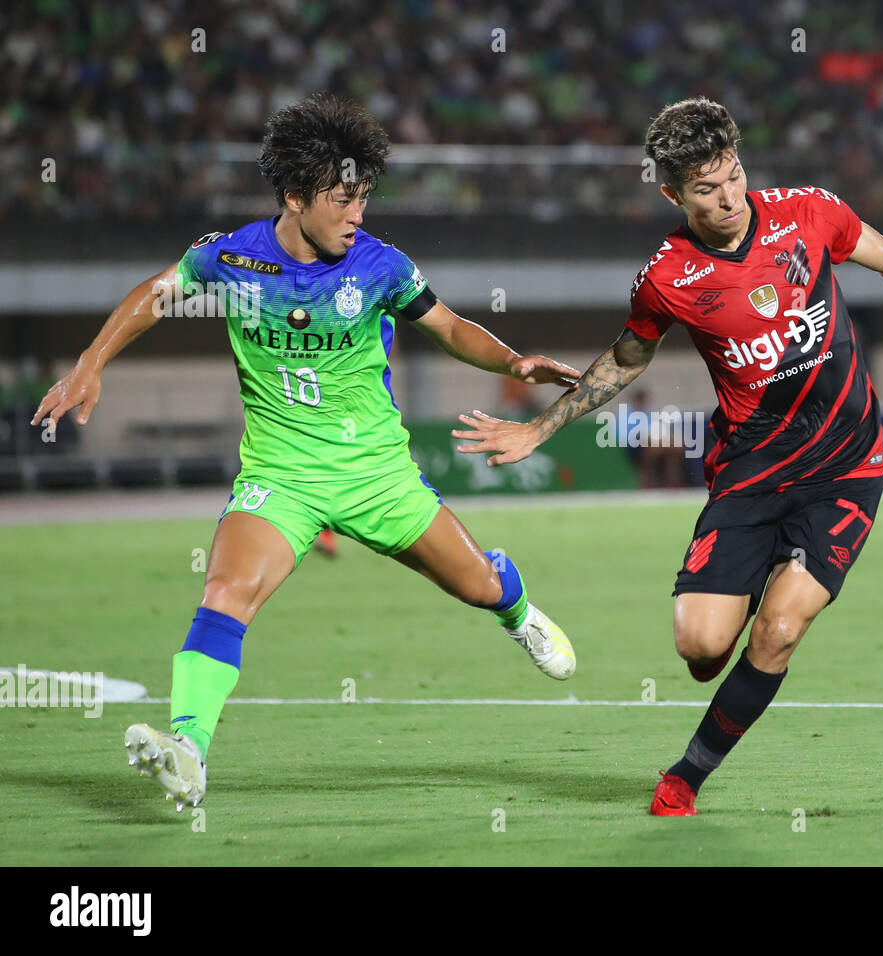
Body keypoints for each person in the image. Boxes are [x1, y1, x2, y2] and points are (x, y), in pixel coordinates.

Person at [453, 97, 883, 816]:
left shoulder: (808, 212)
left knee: (782, 628)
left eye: (733, 176)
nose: (728, 197)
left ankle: (685, 777)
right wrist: (541, 428)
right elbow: (627, 358)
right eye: (706, 188)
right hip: (750, 474)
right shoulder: (668, 277)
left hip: (845, 468)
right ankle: (758, 567)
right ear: (672, 193)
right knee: (700, 650)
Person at [29, 92, 580, 812]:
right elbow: (156, 294)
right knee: (225, 593)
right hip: (280, 478)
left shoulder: (381, 265)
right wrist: (91, 362)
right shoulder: (230, 257)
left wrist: (513, 363)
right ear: (295, 196)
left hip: (377, 476)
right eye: (344, 201)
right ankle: (188, 752)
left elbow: (446, 326)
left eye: (363, 199)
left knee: (479, 584)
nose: (358, 215)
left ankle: (520, 613)